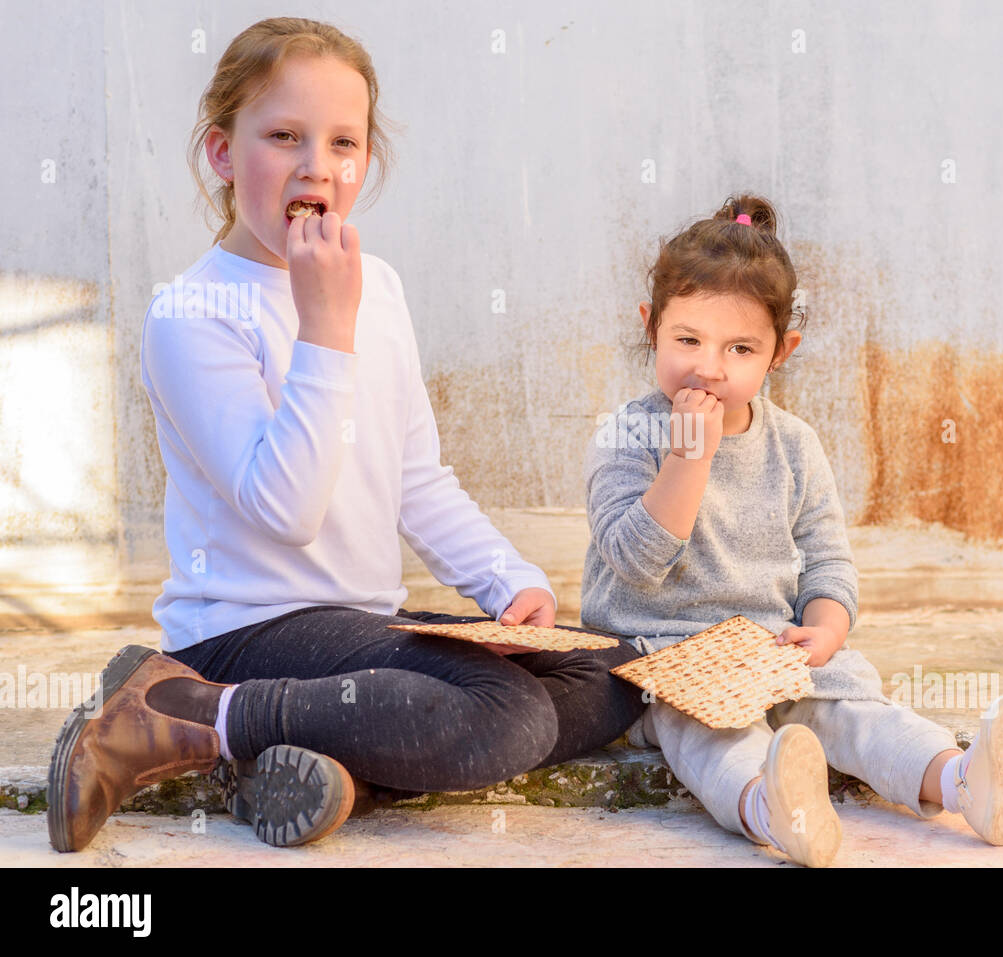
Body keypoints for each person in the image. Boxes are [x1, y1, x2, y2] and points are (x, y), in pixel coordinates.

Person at [47, 17, 643, 854]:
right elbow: (284, 508)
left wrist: (505, 581)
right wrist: (326, 322)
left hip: (360, 624)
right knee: (505, 714)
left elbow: (416, 477)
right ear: (222, 153)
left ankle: (322, 772)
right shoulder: (191, 313)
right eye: (283, 135)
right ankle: (186, 711)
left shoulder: (383, 287)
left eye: (342, 142)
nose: (316, 166)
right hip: (245, 630)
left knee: (613, 669)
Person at [580, 194, 1003, 867]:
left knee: (855, 702)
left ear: (780, 351)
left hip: (770, 651)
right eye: (688, 340)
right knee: (709, 734)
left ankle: (963, 779)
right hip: (661, 659)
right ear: (650, 327)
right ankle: (771, 808)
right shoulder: (626, 434)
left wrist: (825, 629)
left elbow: (828, 562)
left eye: (739, 347)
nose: (709, 366)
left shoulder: (795, 446)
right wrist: (690, 456)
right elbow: (632, 562)